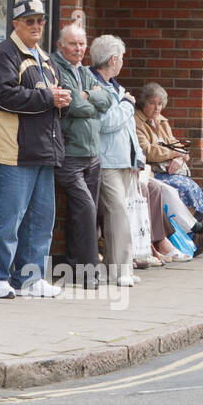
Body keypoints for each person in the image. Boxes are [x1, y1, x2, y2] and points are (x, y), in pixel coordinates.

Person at [0, 0, 70, 298]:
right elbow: (5, 96)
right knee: (10, 219)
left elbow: (50, 99)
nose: (35, 26)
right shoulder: (3, 54)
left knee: (41, 220)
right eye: (28, 21)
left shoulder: (45, 58)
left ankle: (30, 278)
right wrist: (48, 98)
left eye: (40, 20)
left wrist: (62, 101)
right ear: (16, 24)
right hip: (11, 151)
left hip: (43, 150)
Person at [50, 24, 112, 287]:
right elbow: (72, 104)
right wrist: (88, 99)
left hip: (92, 154)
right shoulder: (54, 68)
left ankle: (75, 267)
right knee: (86, 208)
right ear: (60, 45)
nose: (78, 49)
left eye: (82, 44)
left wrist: (85, 97)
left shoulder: (85, 72)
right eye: (73, 44)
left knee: (84, 211)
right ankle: (89, 273)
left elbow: (108, 100)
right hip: (69, 153)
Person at [89, 34, 144, 286]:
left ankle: (117, 268)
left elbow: (128, 129)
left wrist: (138, 158)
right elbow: (107, 123)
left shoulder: (117, 87)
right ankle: (122, 270)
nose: (122, 62)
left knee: (121, 215)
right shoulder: (95, 84)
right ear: (113, 59)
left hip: (124, 161)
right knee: (118, 214)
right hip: (107, 160)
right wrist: (127, 105)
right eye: (121, 58)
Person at [134, 83, 203, 219]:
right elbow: (148, 151)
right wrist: (175, 153)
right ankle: (192, 231)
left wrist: (180, 158)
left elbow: (176, 144)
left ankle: (197, 231)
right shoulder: (136, 121)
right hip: (152, 171)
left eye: (160, 103)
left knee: (191, 186)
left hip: (167, 170)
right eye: (152, 103)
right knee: (183, 188)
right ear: (143, 103)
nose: (157, 108)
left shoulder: (160, 120)